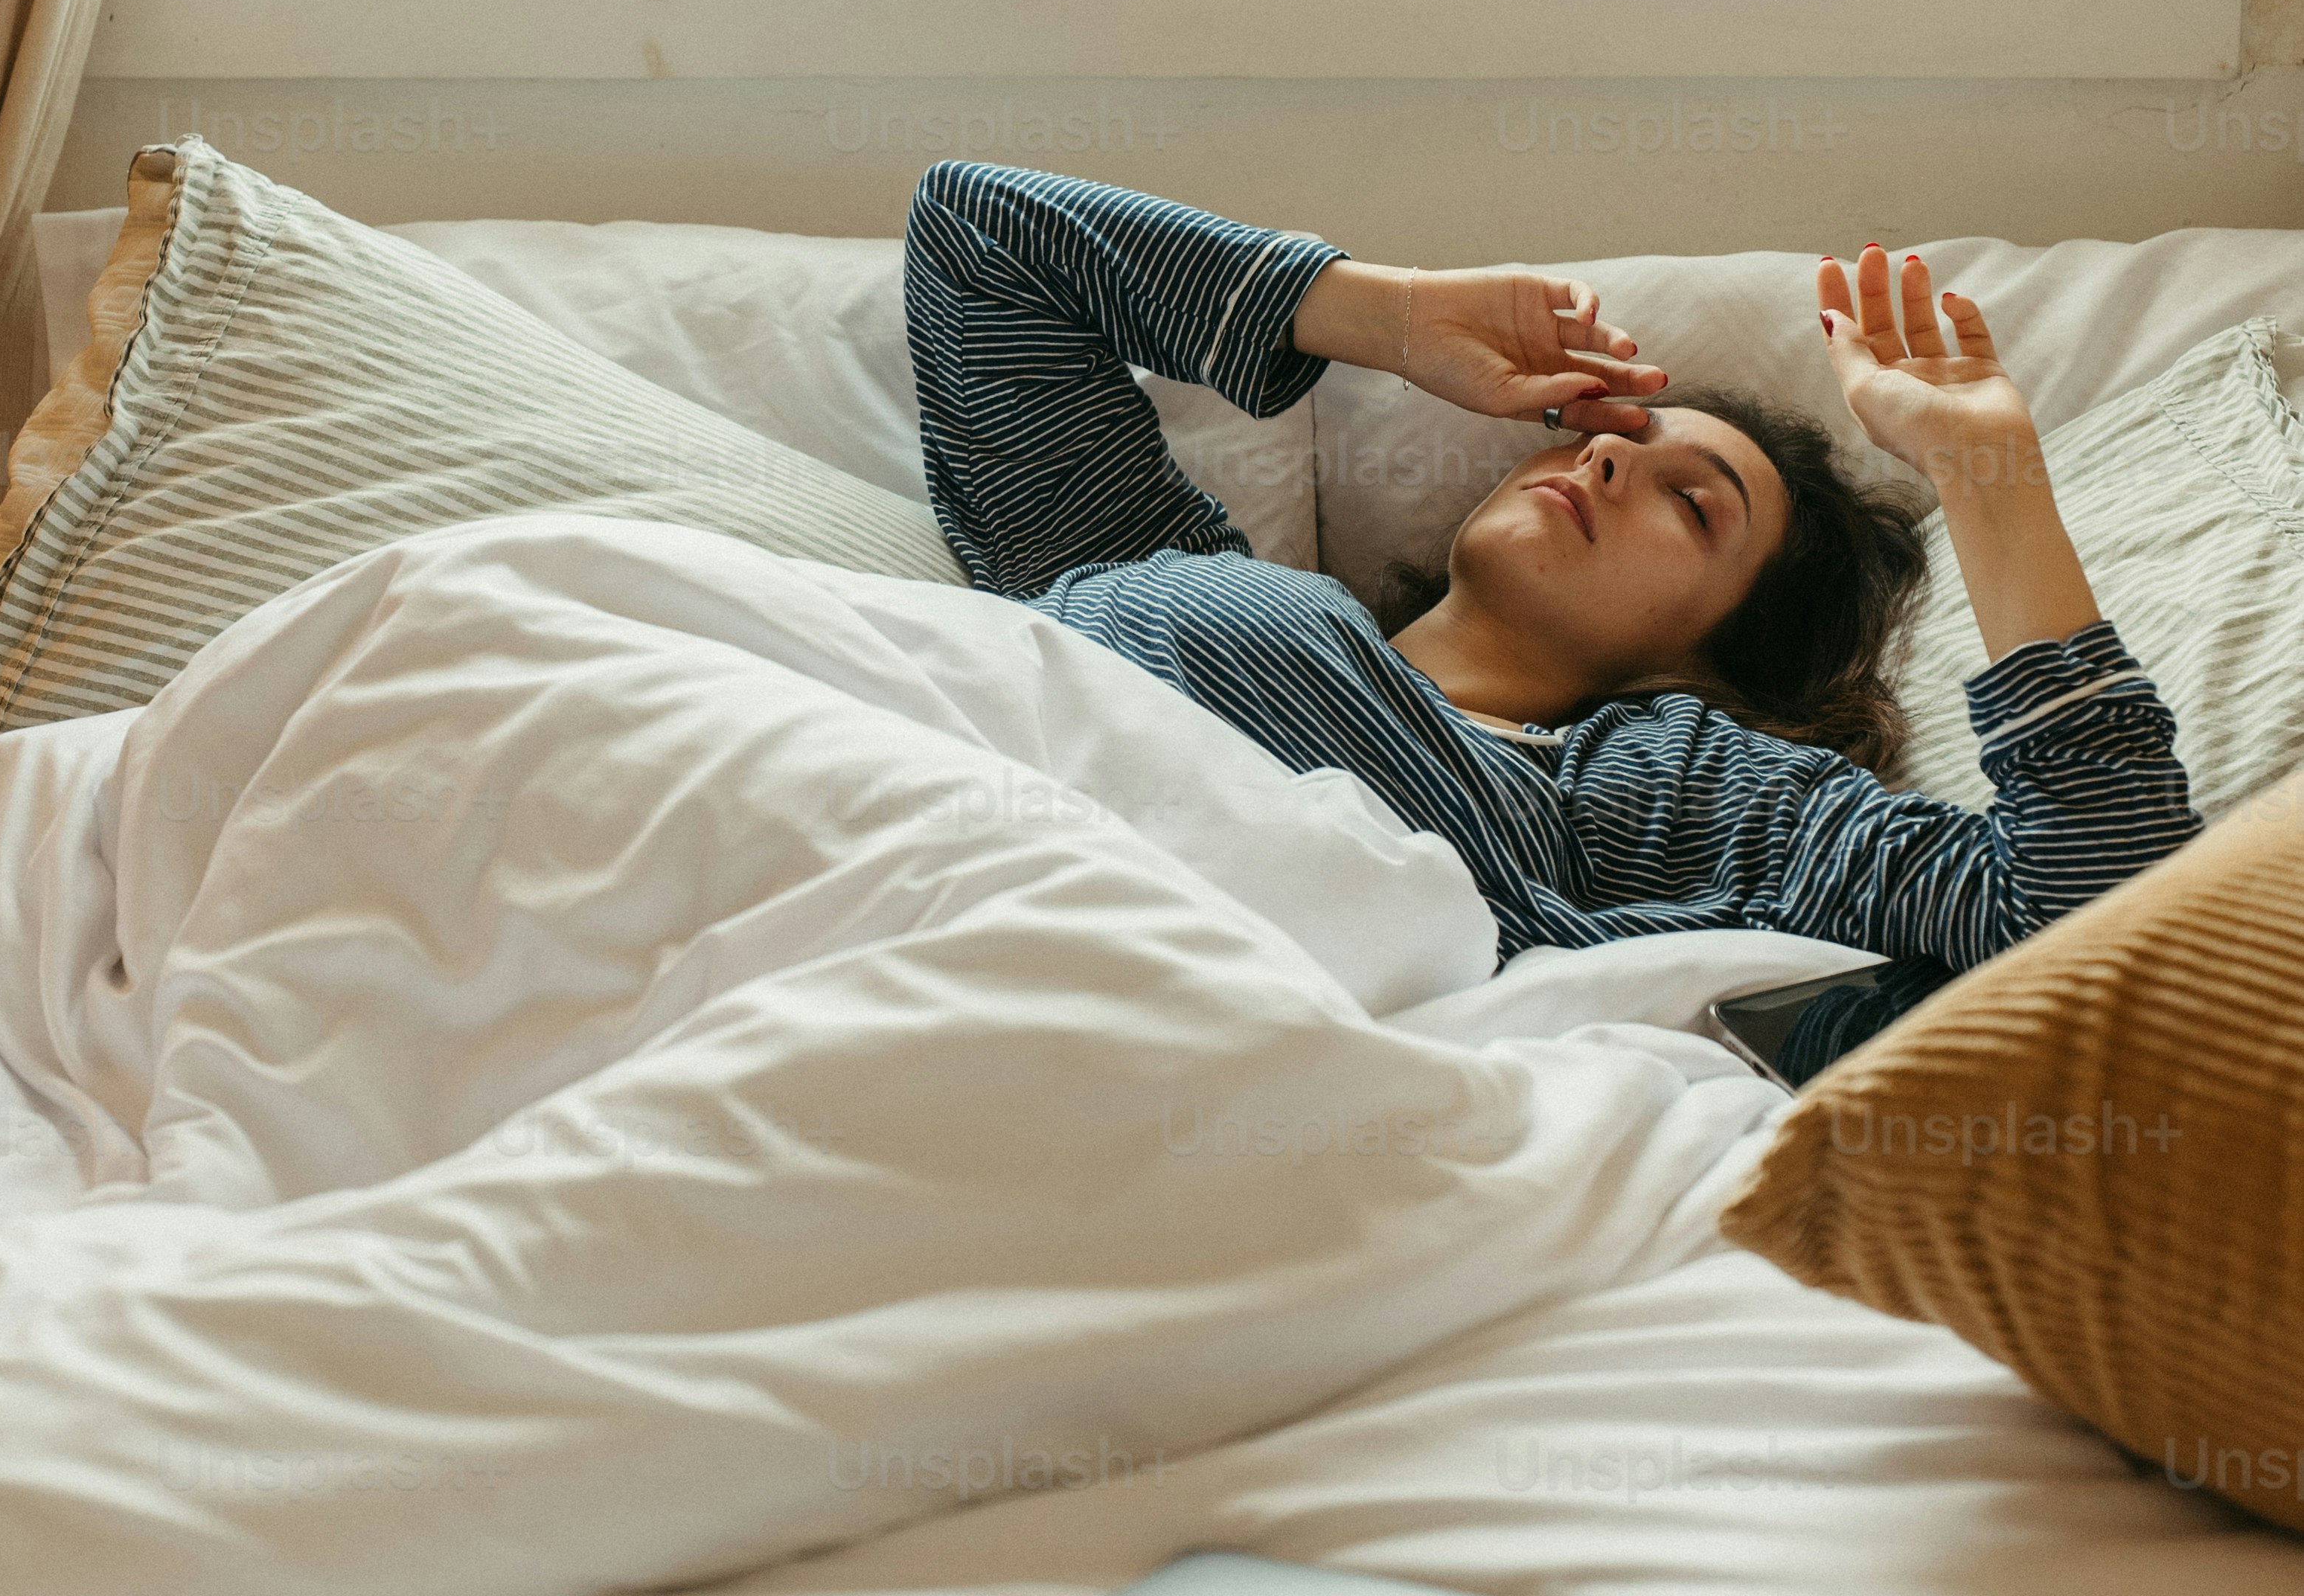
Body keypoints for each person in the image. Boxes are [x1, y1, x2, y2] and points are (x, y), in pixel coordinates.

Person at [903, 161, 2195, 1080]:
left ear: (1714, 664)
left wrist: (1987, 473)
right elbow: (979, 235)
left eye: (1691, 504)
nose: (1613, 465)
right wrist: (1389, 312)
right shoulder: (1140, 557)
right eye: (1605, 436)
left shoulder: (1672, 782)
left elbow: (2111, 927)